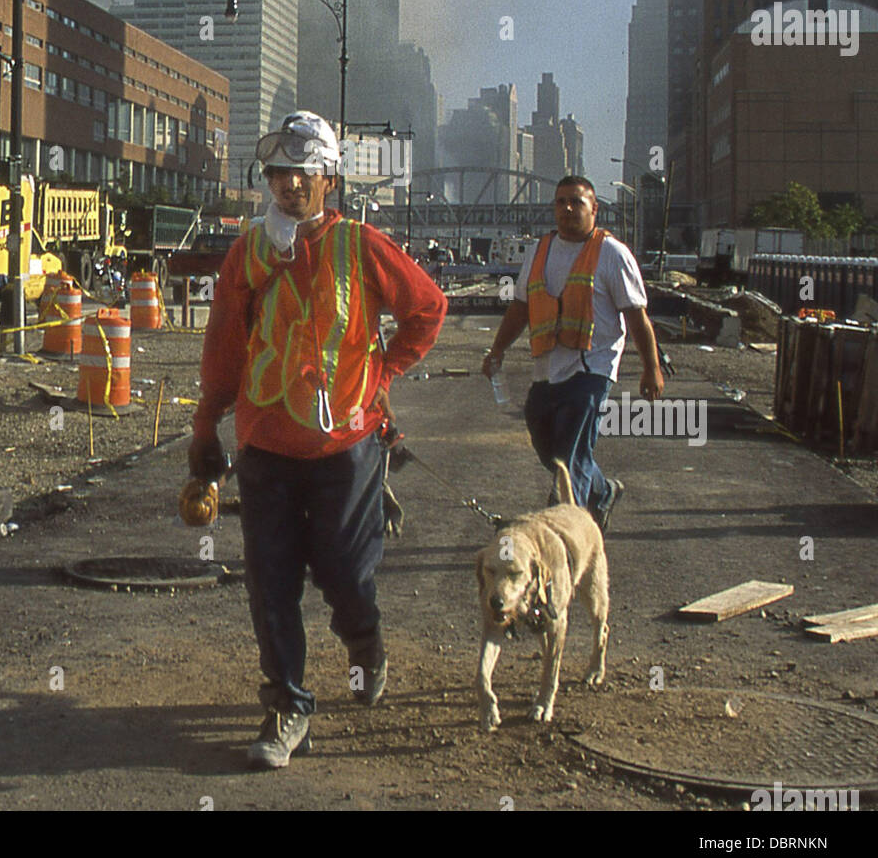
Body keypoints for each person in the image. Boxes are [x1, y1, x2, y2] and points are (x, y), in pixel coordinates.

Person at [189, 110, 447, 770]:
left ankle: (363, 639)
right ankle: (287, 705)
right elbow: (223, 344)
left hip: (349, 445)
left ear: (327, 178)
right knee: (270, 581)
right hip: (266, 445)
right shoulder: (247, 252)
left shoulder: (360, 244)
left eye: (303, 173)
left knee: (343, 571)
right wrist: (205, 423)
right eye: (279, 173)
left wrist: (383, 372)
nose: (290, 185)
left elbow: (427, 307)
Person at [481, 175, 664, 529]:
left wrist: (650, 368)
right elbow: (520, 307)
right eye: (560, 201)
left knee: (569, 455)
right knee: (549, 447)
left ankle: (565, 532)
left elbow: (636, 316)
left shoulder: (611, 253)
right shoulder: (540, 249)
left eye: (576, 202)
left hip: (592, 368)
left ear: (594, 209)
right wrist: (497, 351)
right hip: (547, 370)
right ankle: (602, 491)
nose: (567, 209)